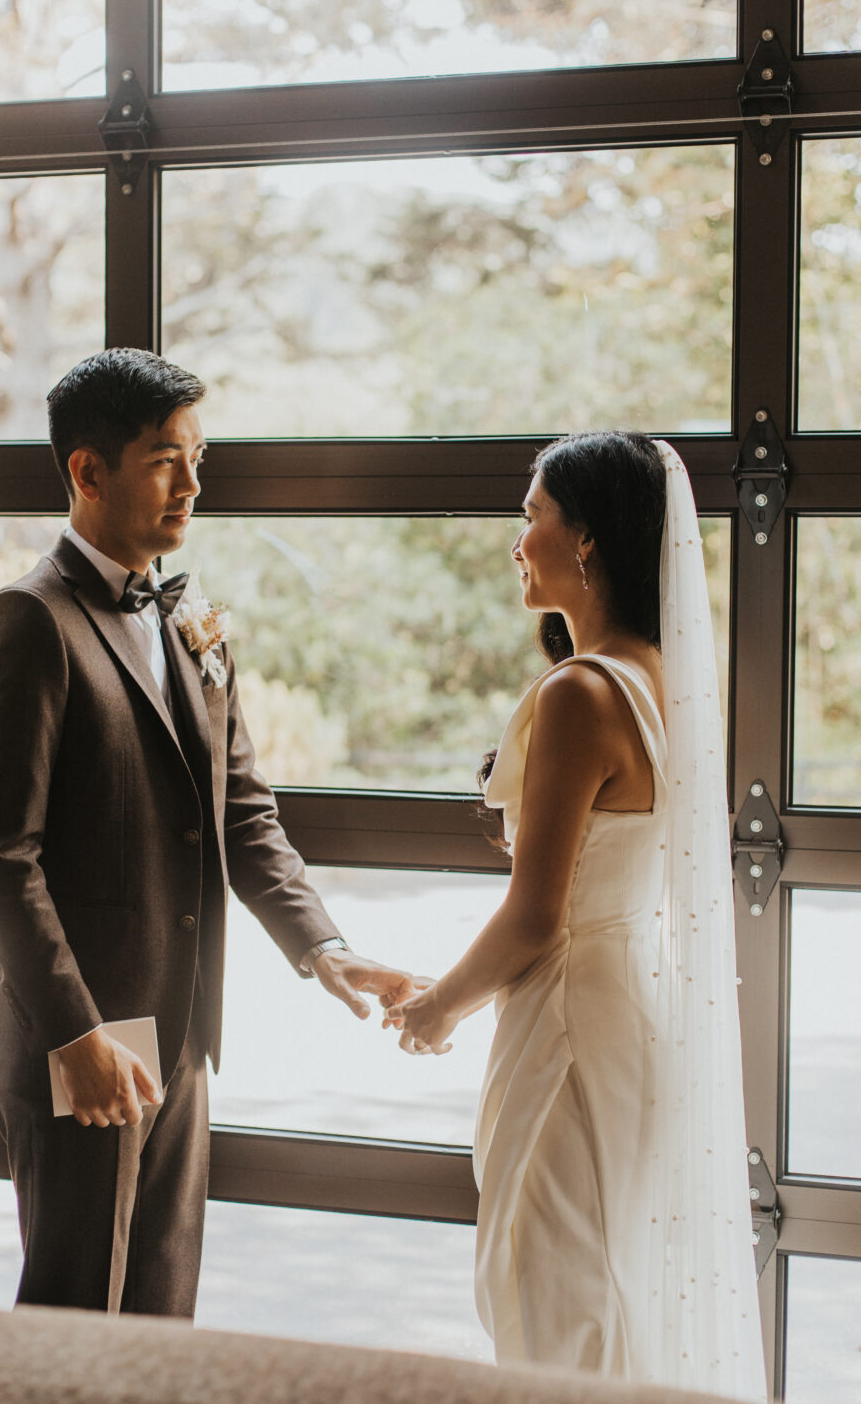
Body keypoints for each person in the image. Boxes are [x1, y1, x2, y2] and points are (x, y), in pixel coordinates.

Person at [0, 347, 411, 1318]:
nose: (193, 485)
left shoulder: (186, 612)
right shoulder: (26, 622)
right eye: (166, 458)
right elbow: (0, 855)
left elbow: (241, 812)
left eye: (197, 457)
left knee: (161, 1316)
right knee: (75, 1323)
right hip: (79, 1038)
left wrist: (322, 947)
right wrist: (76, 1032)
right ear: (88, 471)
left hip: (179, 1031)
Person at [386, 432, 767, 1402]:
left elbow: (535, 919)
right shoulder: (660, 681)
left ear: (585, 538)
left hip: (563, 1021)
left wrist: (438, 1009)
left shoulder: (578, 694)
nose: (519, 542)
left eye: (532, 517)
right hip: (632, 1019)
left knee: (543, 1293)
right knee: (602, 1291)